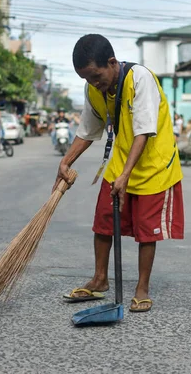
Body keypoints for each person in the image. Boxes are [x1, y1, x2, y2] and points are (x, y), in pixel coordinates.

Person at [55, 34, 184, 313]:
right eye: (87, 80)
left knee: (146, 230)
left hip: (153, 165)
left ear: (112, 62)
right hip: (121, 162)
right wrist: (65, 161)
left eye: (96, 76)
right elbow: (88, 132)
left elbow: (144, 131)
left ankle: (142, 288)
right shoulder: (94, 90)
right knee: (103, 221)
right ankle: (100, 279)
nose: (93, 83)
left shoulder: (140, 79)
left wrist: (126, 176)